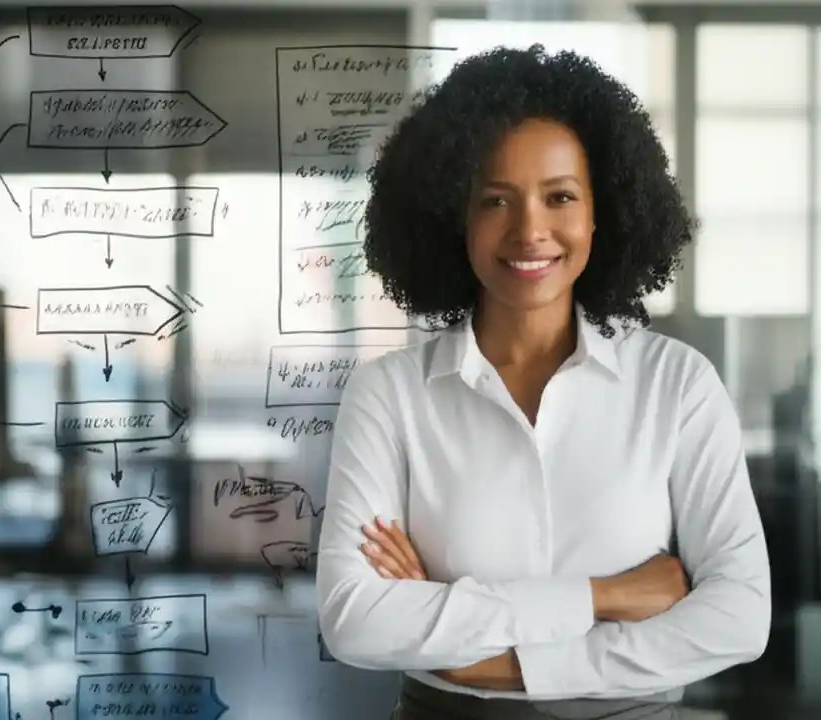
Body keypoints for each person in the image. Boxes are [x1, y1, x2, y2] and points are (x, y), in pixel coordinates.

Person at [315, 44, 771, 720]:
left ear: (600, 212)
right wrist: (605, 596)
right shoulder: (391, 395)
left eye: (560, 196)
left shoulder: (677, 384)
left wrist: (497, 662)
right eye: (495, 199)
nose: (530, 230)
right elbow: (354, 618)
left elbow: (739, 614)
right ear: (454, 216)